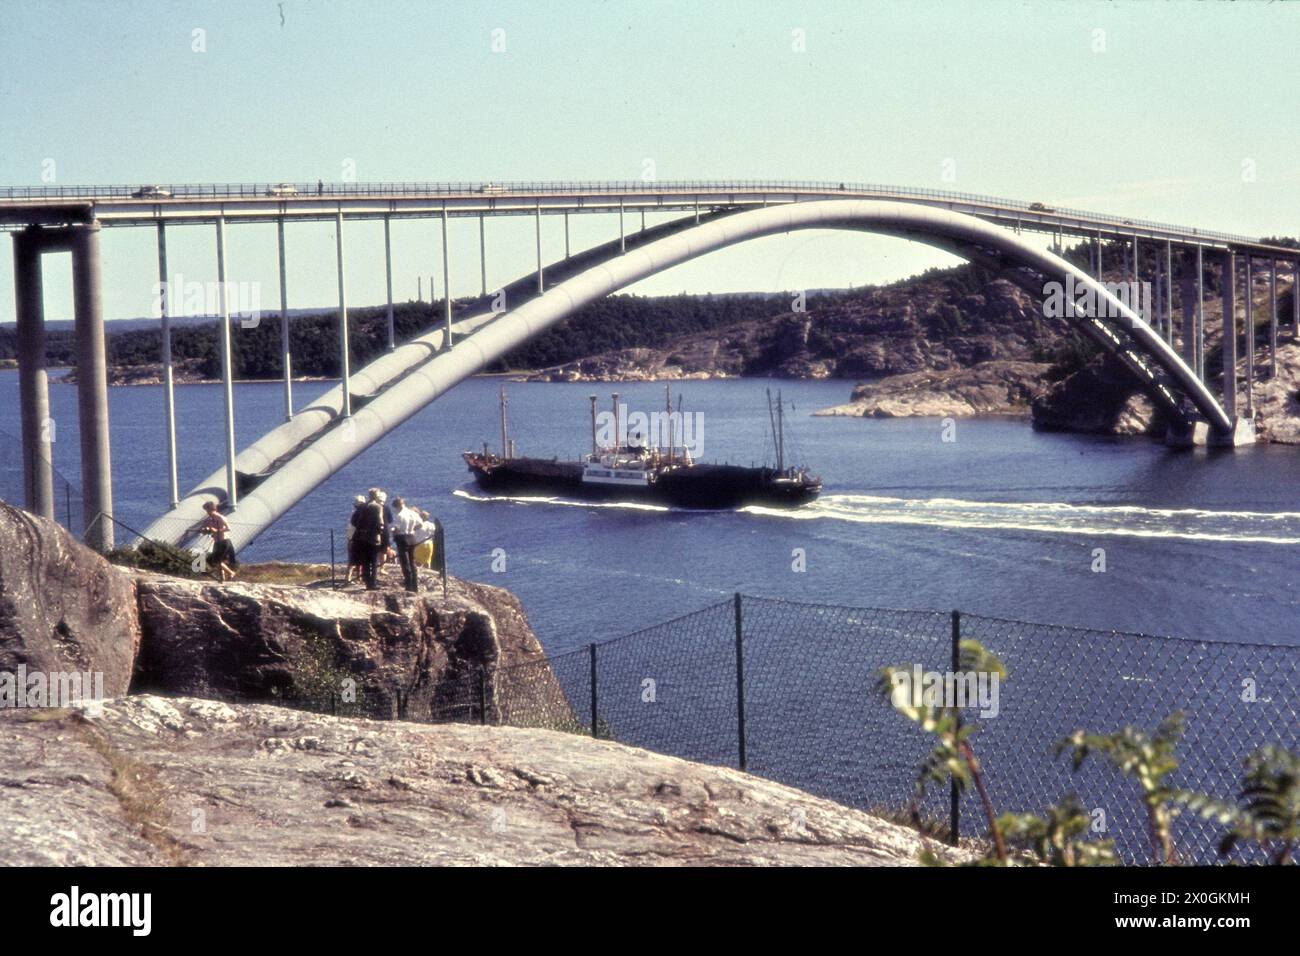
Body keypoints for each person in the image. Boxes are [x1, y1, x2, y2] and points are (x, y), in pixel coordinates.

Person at [353, 488, 385, 590]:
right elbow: (381, 522)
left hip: (362, 537)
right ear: (376, 496)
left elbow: (355, 521)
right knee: (374, 561)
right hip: (373, 537)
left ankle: (367, 583)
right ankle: (373, 584)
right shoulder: (378, 506)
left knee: (365, 561)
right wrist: (380, 531)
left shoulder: (363, 506)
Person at [197, 501, 238, 581]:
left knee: (216, 561)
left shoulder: (221, 518)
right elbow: (209, 528)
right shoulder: (210, 519)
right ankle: (222, 577)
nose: (207, 512)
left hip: (224, 542)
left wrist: (216, 530)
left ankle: (230, 573)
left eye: (207, 510)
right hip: (217, 542)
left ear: (212, 509)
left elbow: (228, 528)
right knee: (217, 560)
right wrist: (205, 530)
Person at [391, 496, 423, 593]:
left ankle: (409, 586)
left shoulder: (399, 515)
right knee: (412, 562)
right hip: (412, 538)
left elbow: (396, 529)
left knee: (405, 563)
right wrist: (413, 529)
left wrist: (392, 533)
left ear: (397, 506)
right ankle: (415, 586)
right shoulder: (412, 513)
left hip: (402, 538)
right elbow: (421, 524)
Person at [345, 495, 367, 584]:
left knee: (354, 559)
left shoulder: (355, 514)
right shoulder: (360, 515)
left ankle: (355, 577)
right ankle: (350, 577)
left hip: (353, 539)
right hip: (355, 539)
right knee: (354, 559)